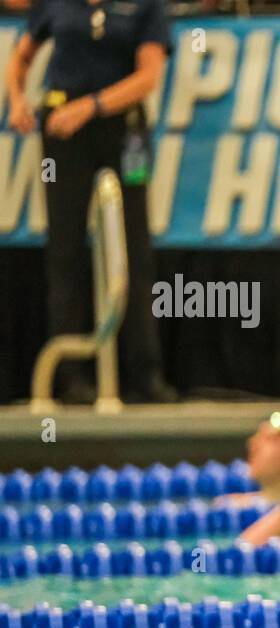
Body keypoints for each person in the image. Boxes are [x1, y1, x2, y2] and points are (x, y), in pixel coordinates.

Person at [4, 0, 177, 403]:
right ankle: (72, 377)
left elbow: (148, 77)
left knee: (136, 248)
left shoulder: (144, 6)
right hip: (63, 134)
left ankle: (144, 373)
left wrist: (92, 107)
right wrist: (16, 100)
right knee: (65, 252)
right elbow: (23, 56)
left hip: (126, 132)